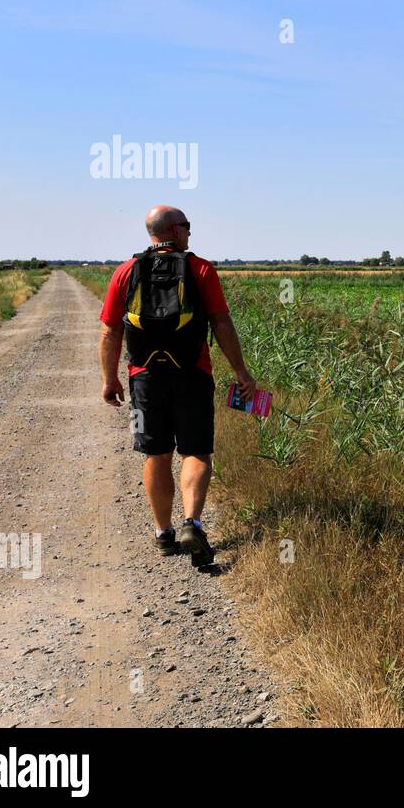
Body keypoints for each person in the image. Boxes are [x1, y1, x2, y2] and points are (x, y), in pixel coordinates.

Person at [97, 205, 257, 563]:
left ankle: (163, 533)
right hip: (193, 374)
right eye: (187, 226)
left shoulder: (125, 272)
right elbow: (221, 324)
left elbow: (110, 330)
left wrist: (110, 379)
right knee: (196, 451)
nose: (190, 232)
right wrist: (242, 374)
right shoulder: (200, 269)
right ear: (174, 230)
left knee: (156, 453)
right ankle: (193, 523)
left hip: (144, 379)